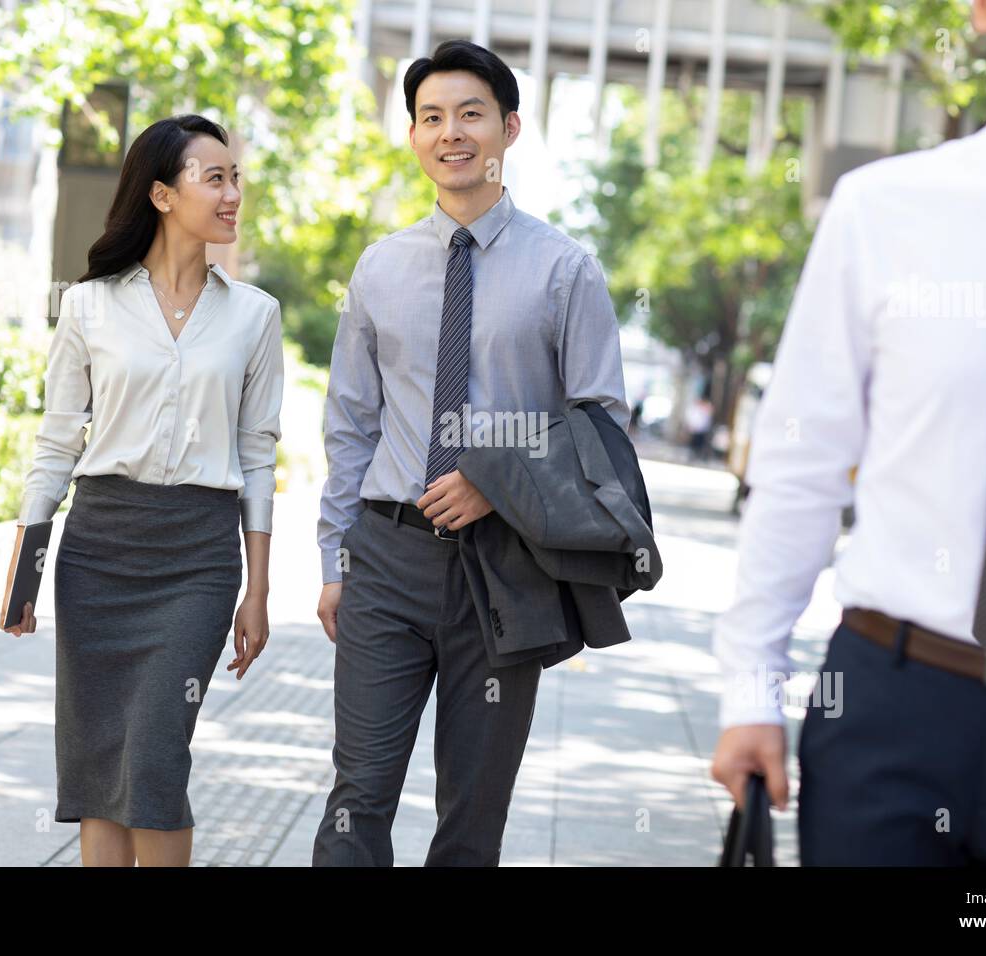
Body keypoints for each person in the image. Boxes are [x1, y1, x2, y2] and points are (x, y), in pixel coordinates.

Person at [711, 0, 986, 865]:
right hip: (887, 709)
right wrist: (750, 691)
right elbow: (801, 466)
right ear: (985, 10)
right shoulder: (884, 209)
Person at [312, 40, 628, 866]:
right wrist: (333, 556)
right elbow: (350, 423)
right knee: (359, 793)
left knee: (473, 816)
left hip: (504, 570)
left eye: (470, 114)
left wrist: (495, 478)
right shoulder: (379, 269)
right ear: (416, 137)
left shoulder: (566, 272)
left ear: (510, 129)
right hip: (386, 555)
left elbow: (601, 427)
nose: (450, 132)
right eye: (431, 118)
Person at [1, 115, 284, 867]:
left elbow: (258, 456)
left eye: (235, 179)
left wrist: (258, 590)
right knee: (98, 769)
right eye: (214, 178)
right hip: (100, 552)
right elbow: (58, 443)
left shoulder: (256, 316)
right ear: (161, 194)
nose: (232, 194)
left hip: (198, 557)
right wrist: (26, 570)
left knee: (156, 757)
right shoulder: (90, 305)